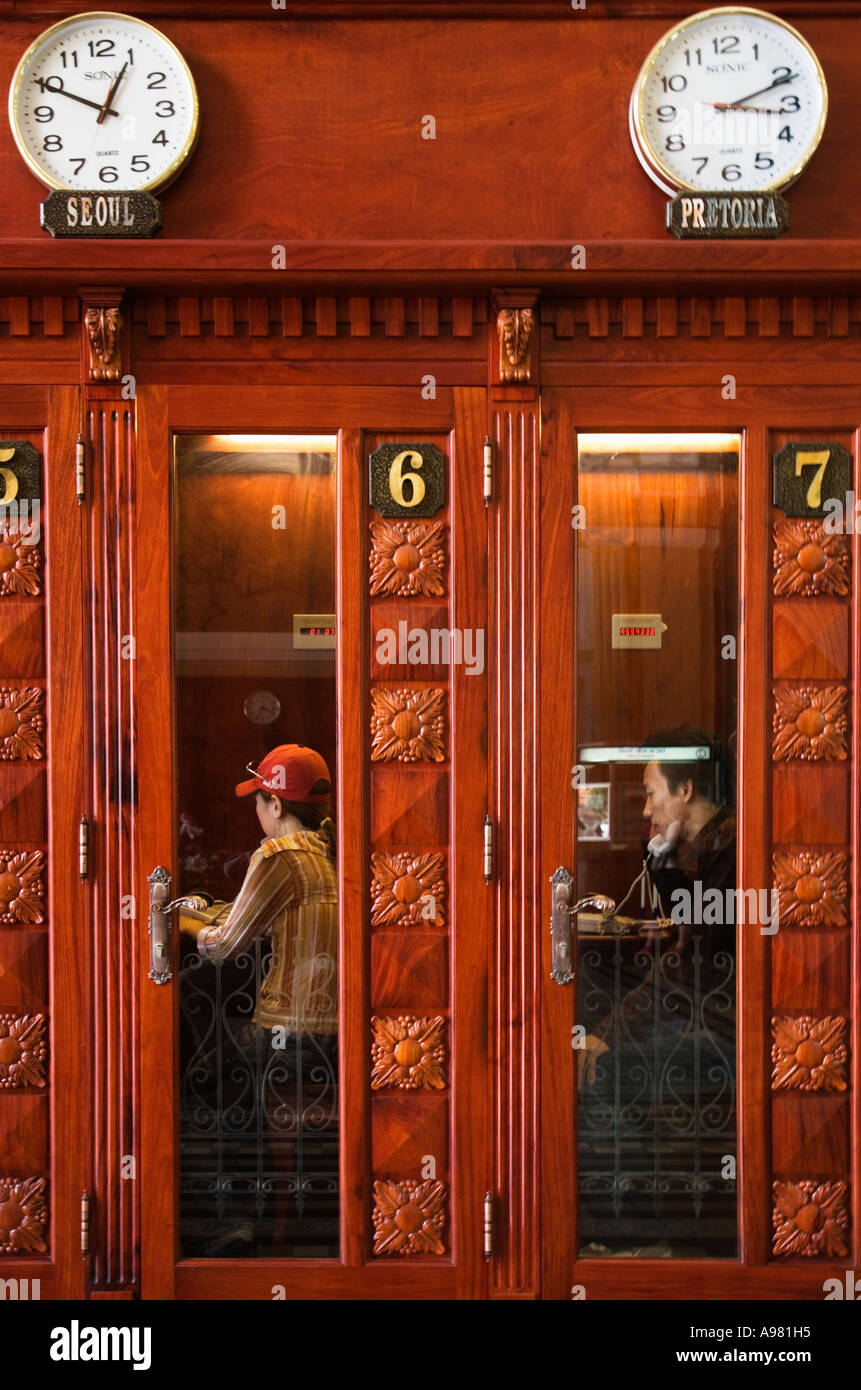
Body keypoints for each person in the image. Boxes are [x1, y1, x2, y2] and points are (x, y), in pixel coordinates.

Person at [181, 742, 338, 1040]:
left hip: (287, 1037)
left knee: (196, 1073)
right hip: (333, 1034)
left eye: (258, 802)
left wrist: (184, 925)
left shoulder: (279, 854)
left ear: (276, 805)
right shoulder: (329, 850)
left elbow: (225, 947)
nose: (257, 810)